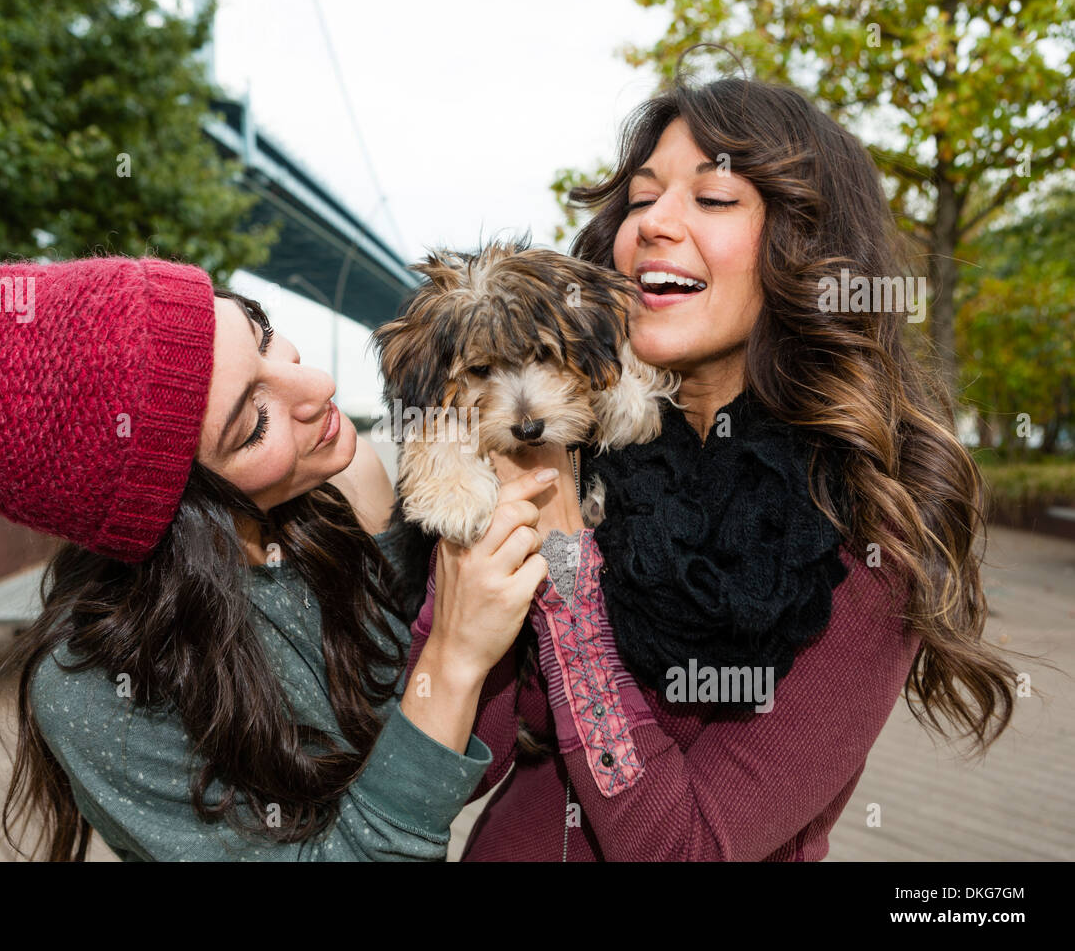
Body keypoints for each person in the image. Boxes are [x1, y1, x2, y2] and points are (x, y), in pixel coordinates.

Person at [406, 75, 1026, 861]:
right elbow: (448, 769)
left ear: (802, 244)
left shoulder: (867, 532)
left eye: (714, 198)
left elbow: (687, 849)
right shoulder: (577, 445)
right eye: (641, 198)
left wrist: (569, 575)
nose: (656, 223)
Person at [0, 256, 564, 861]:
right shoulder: (93, 693)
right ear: (178, 506)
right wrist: (456, 658)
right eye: (253, 420)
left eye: (261, 333)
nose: (317, 383)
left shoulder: (340, 498)